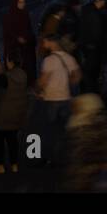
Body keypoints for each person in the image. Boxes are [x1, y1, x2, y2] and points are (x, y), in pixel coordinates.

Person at [36, 36, 81, 166]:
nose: (44, 44)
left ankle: (50, 158)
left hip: (51, 99)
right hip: (66, 98)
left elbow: (43, 81)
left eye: (45, 41)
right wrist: (69, 83)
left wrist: (37, 89)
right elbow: (77, 75)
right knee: (64, 129)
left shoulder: (49, 60)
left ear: (52, 42)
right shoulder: (69, 58)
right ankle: (67, 157)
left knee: (49, 131)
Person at [0, 53, 29, 173]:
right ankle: (14, 164)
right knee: (12, 140)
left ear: (10, 62)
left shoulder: (5, 77)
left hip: (2, 115)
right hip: (16, 113)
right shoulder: (23, 74)